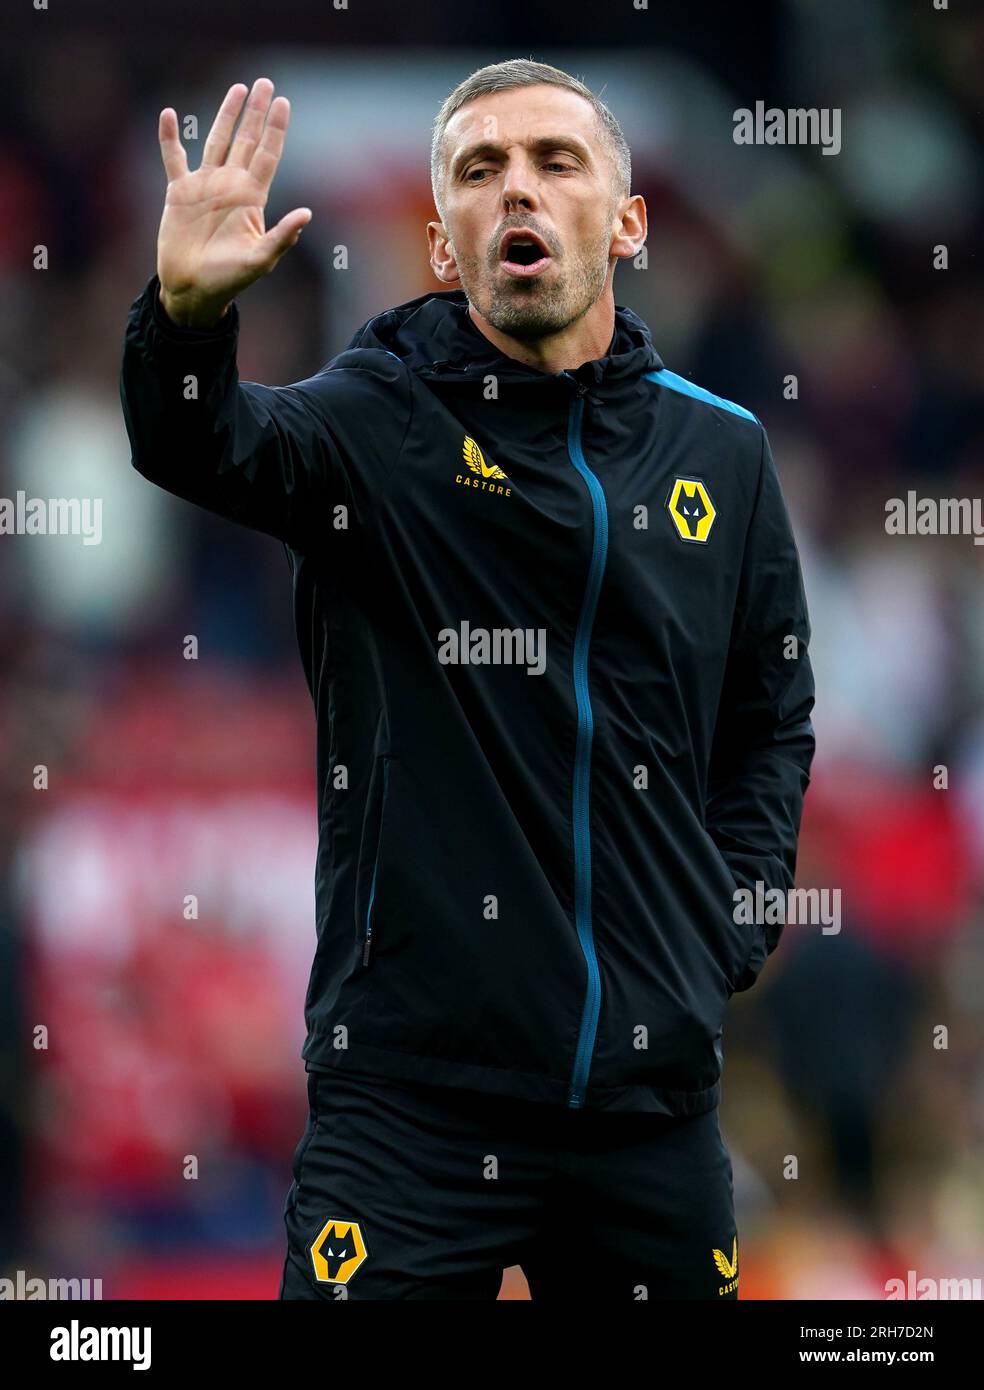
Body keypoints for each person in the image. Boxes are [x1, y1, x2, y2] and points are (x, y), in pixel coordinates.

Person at [119, 58, 815, 1300]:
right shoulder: (375, 424)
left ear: (629, 217)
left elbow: (771, 718)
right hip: (411, 1108)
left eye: (555, 162)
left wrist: (734, 917)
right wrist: (183, 319)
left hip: (649, 1106)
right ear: (445, 240)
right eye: (482, 173)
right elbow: (197, 442)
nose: (519, 193)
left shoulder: (725, 452)